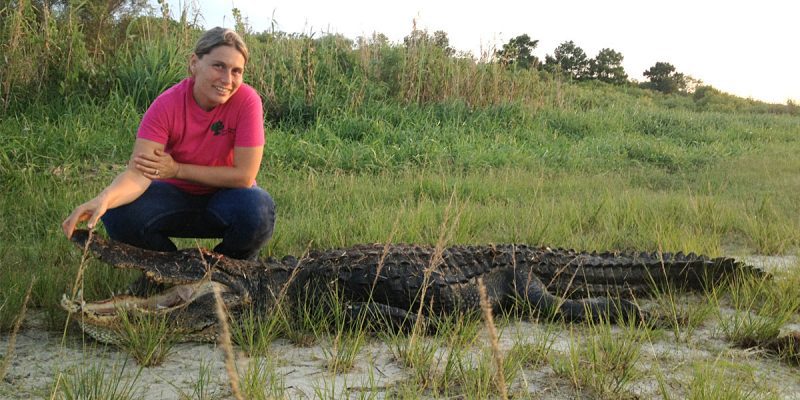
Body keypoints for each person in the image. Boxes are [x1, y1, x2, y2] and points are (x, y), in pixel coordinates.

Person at [62, 27, 275, 261]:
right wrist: (105, 198)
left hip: (230, 198)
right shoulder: (166, 105)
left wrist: (178, 169)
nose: (227, 80)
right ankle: (170, 267)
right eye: (219, 66)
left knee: (258, 210)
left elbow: (244, 176)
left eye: (237, 71)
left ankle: (226, 269)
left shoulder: (247, 101)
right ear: (194, 63)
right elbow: (138, 174)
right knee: (117, 213)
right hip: (176, 196)